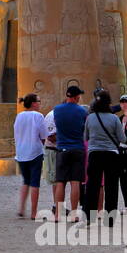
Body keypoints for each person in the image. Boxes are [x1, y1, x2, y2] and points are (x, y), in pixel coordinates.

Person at [83, 89, 127, 223]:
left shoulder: (90, 118)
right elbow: (122, 139)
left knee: (92, 185)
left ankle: (89, 217)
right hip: (111, 154)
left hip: (94, 154)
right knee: (111, 186)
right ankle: (110, 219)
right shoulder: (114, 118)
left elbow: (86, 136)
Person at [49, 85, 87, 221]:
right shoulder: (82, 111)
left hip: (62, 148)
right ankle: (74, 214)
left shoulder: (57, 110)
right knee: (75, 182)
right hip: (77, 148)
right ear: (77, 97)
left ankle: (58, 214)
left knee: (60, 182)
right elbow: (84, 128)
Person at [14, 94, 47, 219]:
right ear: (33, 103)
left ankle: (21, 208)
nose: (40, 103)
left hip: (21, 152)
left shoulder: (19, 116)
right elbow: (43, 135)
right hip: (35, 152)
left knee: (25, 181)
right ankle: (34, 212)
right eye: (38, 101)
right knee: (34, 183)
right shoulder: (38, 116)